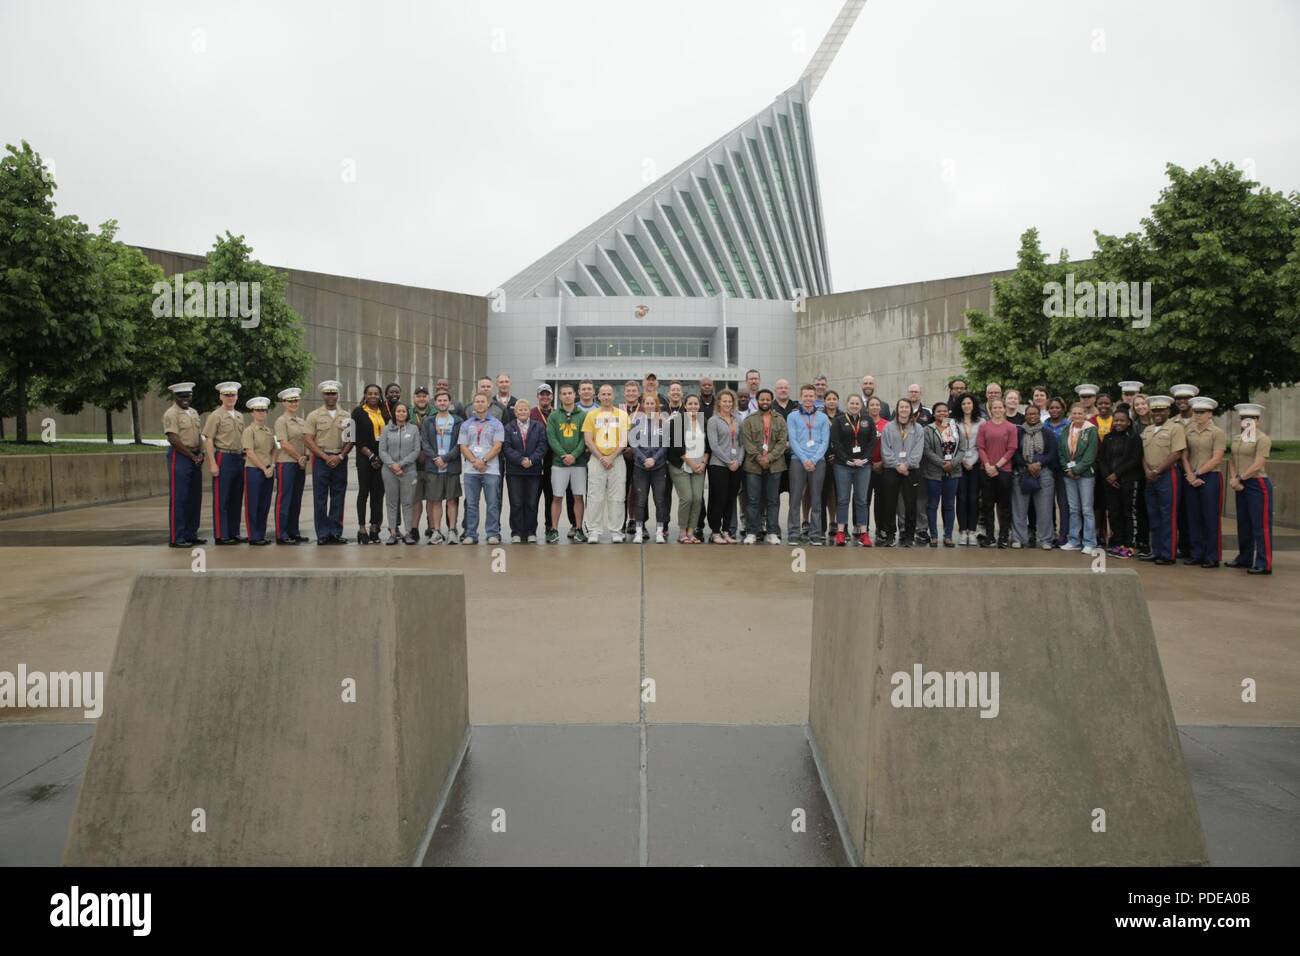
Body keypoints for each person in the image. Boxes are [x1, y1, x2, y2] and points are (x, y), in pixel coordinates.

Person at [1138, 396, 1186, 565]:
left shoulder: (1175, 428)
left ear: (1168, 411)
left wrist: (1158, 470)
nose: (1158, 413)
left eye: (1161, 410)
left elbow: (1176, 454)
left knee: (1168, 515)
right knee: (1153, 515)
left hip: (1167, 475)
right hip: (1150, 476)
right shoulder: (1148, 430)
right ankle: (1155, 550)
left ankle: (1168, 553)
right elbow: (1142, 454)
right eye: (1155, 410)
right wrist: (1147, 471)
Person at [303, 381, 352, 544]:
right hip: (321, 461)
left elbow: (351, 440)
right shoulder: (314, 415)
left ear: (338, 395)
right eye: (327, 393)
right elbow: (308, 439)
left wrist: (340, 456)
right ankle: (323, 534)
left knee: (338, 497)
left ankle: (336, 532)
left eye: (333, 393)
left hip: (340, 460)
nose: (331, 396)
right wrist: (324, 457)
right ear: (323, 395)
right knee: (320, 498)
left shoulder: (346, 415)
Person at [1227, 404, 1273, 575]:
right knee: (1244, 524)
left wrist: (1240, 478)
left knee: (1260, 525)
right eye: (1244, 418)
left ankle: (1264, 563)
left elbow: (1258, 464)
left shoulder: (1262, 439)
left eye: (1252, 419)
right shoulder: (1238, 438)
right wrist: (1233, 478)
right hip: (1240, 483)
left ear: (1258, 421)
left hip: (1257, 483)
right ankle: (1244, 558)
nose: (1247, 422)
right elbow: (1232, 459)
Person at [582, 384, 631, 544]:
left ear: (613, 396)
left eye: (609, 394)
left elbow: (624, 440)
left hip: (617, 460)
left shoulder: (623, 415)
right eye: (603, 394)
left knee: (617, 497)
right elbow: (588, 440)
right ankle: (594, 530)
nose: (606, 397)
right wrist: (601, 457)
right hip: (597, 460)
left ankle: (616, 530)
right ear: (598, 396)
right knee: (595, 496)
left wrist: (611, 457)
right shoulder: (591, 415)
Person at [1182, 396, 1227, 568]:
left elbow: (1217, 458)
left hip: (1210, 476)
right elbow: (1184, 455)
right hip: (1191, 477)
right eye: (1196, 412)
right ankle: (1197, 553)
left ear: (1210, 413)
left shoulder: (1217, 432)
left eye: (1202, 412)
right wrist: (1190, 475)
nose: (1198, 415)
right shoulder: (1189, 430)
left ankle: (1212, 556)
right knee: (1193, 517)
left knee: (1210, 517)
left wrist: (1198, 473)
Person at [741, 388, 789, 545]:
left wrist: (769, 457)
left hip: (775, 466)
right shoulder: (749, 420)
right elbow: (747, 442)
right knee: (753, 500)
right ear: (757, 401)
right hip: (753, 467)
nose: (765, 402)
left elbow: (782, 442)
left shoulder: (780, 419)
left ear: (772, 400)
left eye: (768, 399)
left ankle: (772, 532)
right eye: (762, 399)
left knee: (773, 500)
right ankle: (751, 532)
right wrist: (759, 458)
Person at [459, 392, 506, 545]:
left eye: (482, 401)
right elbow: (463, 446)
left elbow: (498, 446)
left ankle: (492, 533)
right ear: (473, 404)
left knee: (492, 503)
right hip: (471, 470)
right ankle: (471, 534)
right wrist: (475, 461)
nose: (479, 404)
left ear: (488, 404)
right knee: (471, 504)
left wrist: (484, 460)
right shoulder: (466, 424)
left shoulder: (497, 424)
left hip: (491, 470)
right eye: (477, 401)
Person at [162, 382, 205, 547]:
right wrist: (191, 456)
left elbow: (199, 435)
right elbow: (173, 438)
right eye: (182, 396)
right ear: (175, 397)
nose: (186, 399)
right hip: (180, 456)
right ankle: (177, 537)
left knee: (195, 498)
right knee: (179, 498)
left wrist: (201, 453)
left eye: (188, 396)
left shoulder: (193, 412)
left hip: (194, 455)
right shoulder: (171, 413)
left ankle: (191, 533)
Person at [786, 384, 829, 545]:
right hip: (798, 460)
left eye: (811, 396)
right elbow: (793, 440)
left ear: (815, 397)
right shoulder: (793, 416)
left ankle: (816, 534)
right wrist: (804, 459)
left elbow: (825, 441)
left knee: (816, 499)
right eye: (806, 395)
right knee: (795, 498)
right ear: (801, 396)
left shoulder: (823, 417)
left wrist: (815, 459)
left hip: (819, 461)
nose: (808, 398)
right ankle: (793, 533)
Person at [204, 382, 246, 545]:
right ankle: (221, 535)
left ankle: (234, 532)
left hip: (238, 458)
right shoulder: (216, 415)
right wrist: (213, 463)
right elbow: (209, 439)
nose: (230, 398)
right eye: (227, 395)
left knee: (236, 498)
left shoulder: (240, 416)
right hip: (224, 456)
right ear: (221, 396)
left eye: (233, 395)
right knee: (222, 498)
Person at [1010, 404, 1057, 551]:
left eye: (1035, 414)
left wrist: (1039, 463)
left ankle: (1046, 539)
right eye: (1029, 414)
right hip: (1022, 473)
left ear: (1039, 415)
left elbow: (1052, 453)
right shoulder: (1018, 432)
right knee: (1019, 508)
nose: (1032, 416)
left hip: (1043, 474)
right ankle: (1018, 538)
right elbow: (1014, 452)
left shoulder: (1047, 432)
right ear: (1025, 416)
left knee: (1044, 509)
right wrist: (1027, 464)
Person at [546, 384, 588, 543]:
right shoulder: (554, 416)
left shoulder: (583, 415)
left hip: (578, 464)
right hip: (559, 463)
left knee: (578, 496)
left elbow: (585, 438)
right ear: (560, 397)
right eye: (564, 393)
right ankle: (554, 529)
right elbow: (552, 438)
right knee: (557, 497)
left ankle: (578, 529)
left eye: (570, 393)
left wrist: (575, 455)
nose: (567, 396)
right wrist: (564, 454)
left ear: (575, 395)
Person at [831, 393, 874, 546]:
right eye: (852, 403)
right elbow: (836, 443)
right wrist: (848, 460)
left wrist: (865, 459)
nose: (855, 406)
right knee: (843, 499)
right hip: (843, 465)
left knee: (862, 500)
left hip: (863, 466)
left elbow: (871, 442)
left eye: (857, 403)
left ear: (861, 406)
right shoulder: (839, 421)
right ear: (846, 404)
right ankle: (841, 532)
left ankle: (863, 533)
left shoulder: (868, 421)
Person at [879, 398, 923, 547]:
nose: (904, 409)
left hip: (911, 471)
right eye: (901, 407)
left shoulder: (918, 429)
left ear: (910, 410)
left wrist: (907, 465)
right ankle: (890, 535)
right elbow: (885, 450)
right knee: (889, 504)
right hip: (892, 470)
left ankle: (909, 536)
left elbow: (918, 451)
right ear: (897, 410)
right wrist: (897, 465)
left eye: (906, 407)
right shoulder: (888, 427)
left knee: (910, 504)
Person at [1099, 408, 1143, 558]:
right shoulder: (1108, 437)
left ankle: (1130, 544)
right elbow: (1102, 459)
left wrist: (1116, 474)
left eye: (1122, 420)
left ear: (1128, 422)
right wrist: (1108, 475)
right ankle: (1117, 542)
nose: (1118, 423)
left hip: (1128, 480)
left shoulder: (1134, 437)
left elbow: (1135, 459)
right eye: (1116, 420)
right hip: (1110, 482)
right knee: (1114, 512)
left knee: (1128, 512)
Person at [502, 397, 547, 543]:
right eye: (519, 409)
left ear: (529, 411)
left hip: (533, 471)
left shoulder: (538, 426)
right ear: (515, 412)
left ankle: (531, 531)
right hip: (514, 471)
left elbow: (542, 446)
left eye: (525, 409)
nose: (522, 412)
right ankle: (516, 532)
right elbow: (506, 448)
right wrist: (520, 460)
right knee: (516, 502)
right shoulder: (509, 427)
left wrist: (532, 460)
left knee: (532, 502)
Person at [975, 397, 1017, 548]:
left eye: (1000, 407)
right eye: (995, 408)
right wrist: (987, 465)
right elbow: (980, 447)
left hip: (1004, 471)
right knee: (987, 505)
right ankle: (990, 536)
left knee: (1004, 506)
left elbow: (1012, 449)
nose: (997, 410)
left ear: (1004, 409)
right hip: (985, 470)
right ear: (990, 410)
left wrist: (997, 466)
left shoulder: (1011, 427)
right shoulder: (984, 427)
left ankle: (1003, 537)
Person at [629, 393, 671, 543]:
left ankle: (659, 531)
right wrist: (644, 459)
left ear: (656, 405)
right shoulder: (637, 421)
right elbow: (633, 443)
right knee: (640, 500)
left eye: (652, 403)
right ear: (643, 405)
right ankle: (639, 531)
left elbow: (665, 444)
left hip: (658, 467)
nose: (649, 405)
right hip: (640, 467)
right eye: (647, 403)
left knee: (660, 500)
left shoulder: (662, 422)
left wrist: (654, 459)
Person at [1059, 402, 1100, 555]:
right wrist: (1067, 468)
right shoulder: (1066, 429)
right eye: (1074, 413)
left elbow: (1091, 455)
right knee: (1074, 509)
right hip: (1069, 475)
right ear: (1070, 414)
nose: (1077, 416)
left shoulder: (1090, 430)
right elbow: (1061, 452)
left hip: (1085, 475)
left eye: (1080, 413)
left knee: (1086, 509)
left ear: (1085, 415)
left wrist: (1077, 469)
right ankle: (1074, 540)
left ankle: (1089, 542)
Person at [422, 390, 462, 544]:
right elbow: (424, 442)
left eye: (445, 400)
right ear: (435, 403)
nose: (442, 403)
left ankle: (452, 530)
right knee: (436, 500)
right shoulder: (429, 421)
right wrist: (435, 458)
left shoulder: (458, 421)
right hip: (434, 466)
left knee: (452, 500)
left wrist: (445, 458)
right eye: (439, 400)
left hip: (451, 465)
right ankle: (436, 531)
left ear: (449, 403)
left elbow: (460, 443)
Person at [923, 401, 965, 547]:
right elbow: (927, 450)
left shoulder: (955, 428)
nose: (942, 413)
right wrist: (942, 463)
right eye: (939, 411)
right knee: (932, 504)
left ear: (949, 413)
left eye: (945, 411)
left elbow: (962, 450)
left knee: (949, 505)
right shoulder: (928, 429)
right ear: (934, 414)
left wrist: (952, 464)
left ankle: (948, 536)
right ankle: (933, 536)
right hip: (933, 473)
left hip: (953, 473)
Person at [270, 387, 309, 546]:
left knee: (296, 499)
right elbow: (283, 443)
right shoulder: (281, 421)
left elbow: (306, 440)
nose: (294, 403)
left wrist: (305, 456)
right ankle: (282, 533)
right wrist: (299, 457)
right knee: (284, 499)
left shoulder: (301, 421)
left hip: (300, 464)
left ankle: (294, 531)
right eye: (290, 401)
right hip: (286, 463)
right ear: (284, 403)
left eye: (296, 400)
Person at [379, 402, 422, 544]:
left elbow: (416, 450)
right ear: (394, 413)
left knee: (407, 502)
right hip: (389, 471)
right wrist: (392, 465)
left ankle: (408, 533)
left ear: (407, 413)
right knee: (391, 503)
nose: (401, 413)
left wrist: (401, 464)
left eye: (403, 411)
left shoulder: (414, 429)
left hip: (408, 471)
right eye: (398, 411)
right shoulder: (386, 429)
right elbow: (382, 451)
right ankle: (393, 532)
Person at [351, 384, 389, 545]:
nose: (373, 396)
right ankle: (362, 528)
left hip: (382, 459)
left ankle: (374, 527)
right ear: (365, 395)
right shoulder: (358, 412)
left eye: (376, 393)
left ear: (380, 395)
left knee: (378, 494)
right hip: (364, 457)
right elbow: (355, 438)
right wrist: (371, 455)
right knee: (364, 493)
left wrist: (381, 457)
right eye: (370, 393)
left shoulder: (385, 413)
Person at [667, 393, 708, 543]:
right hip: (681, 465)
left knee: (697, 499)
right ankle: (682, 531)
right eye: (690, 404)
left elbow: (708, 446)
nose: (693, 407)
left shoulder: (704, 422)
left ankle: (691, 532)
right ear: (685, 405)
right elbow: (676, 447)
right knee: (687, 498)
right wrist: (692, 463)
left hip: (699, 466)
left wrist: (703, 463)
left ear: (699, 406)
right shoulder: (677, 421)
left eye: (696, 404)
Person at [706, 389, 744, 544]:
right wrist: (729, 462)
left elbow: (742, 444)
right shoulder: (713, 421)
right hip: (719, 465)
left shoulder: (738, 420)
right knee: (719, 499)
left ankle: (727, 531)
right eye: (724, 401)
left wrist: (738, 462)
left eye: (730, 401)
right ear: (719, 403)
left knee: (730, 499)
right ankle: (715, 532)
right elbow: (714, 446)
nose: (728, 404)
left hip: (736, 466)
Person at [240, 396, 276, 546]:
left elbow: (274, 450)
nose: (261, 413)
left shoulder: (269, 431)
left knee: (264, 504)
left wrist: (272, 466)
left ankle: (261, 534)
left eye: (264, 410)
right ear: (252, 413)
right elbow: (249, 452)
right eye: (258, 410)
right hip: (254, 470)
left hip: (268, 471)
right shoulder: (249, 431)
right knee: (253, 504)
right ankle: (253, 536)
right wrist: (263, 468)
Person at [1170, 383, 1199, 559]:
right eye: (1179, 398)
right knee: (1179, 510)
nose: (1182, 401)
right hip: (1177, 470)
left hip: (1197, 470)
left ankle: (1195, 548)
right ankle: (1183, 546)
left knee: (1194, 511)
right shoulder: (1172, 422)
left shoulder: (1202, 420)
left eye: (1186, 398)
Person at [955, 394, 982, 546]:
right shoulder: (954, 422)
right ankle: (962, 530)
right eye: (964, 403)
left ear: (973, 405)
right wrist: (963, 460)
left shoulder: (981, 422)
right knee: (961, 498)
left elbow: (981, 445)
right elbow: (953, 443)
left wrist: (972, 460)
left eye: (969, 403)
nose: (966, 406)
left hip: (976, 464)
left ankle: (972, 531)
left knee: (973, 498)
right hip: (959, 464)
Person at [531, 385, 558, 540]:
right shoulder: (532, 413)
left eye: (548, 395)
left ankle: (549, 527)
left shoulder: (557, 414)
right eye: (542, 395)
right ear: (538, 396)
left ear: (552, 397)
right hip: (536, 462)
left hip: (552, 462)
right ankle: (531, 529)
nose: (545, 397)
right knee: (533, 498)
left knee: (550, 497)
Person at [409, 386, 435, 539]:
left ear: (428, 398)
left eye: (424, 396)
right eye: (418, 396)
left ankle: (432, 528)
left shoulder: (435, 413)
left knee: (433, 497)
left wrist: (427, 452)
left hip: (431, 462)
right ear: (414, 398)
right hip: (414, 463)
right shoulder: (408, 413)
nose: (421, 398)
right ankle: (414, 529)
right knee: (416, 498)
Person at [1089, 392, 1115, 545]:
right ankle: (1099, 533)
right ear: (1096, 405)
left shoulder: (1116, 420)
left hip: (1114, 468)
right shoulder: (1091, 421)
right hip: (1096, 467)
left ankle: (1114, 535)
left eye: (1106, 403)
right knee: (1097, 504)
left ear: (1111, 404)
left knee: (1112, 503)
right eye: (1101, 403)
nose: (1103, 406)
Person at [819, 390, 841, 536]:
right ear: (824, 401)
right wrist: (827, 455)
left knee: (841, 496)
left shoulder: (843, 417)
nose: (832, 401)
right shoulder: (819, 417)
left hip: (840, 462)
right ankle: (820, 528)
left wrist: (837, 456)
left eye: (834, 398)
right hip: (823, 460)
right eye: (829, 399)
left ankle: (840, 528)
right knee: (822, 494)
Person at [867, 396, 889, 540]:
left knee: (881, 500)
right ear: (867, 407)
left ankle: (881, 528)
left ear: (880, 407)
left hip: (882, 466)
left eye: (877, 404)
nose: (874, 407)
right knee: (864, 499)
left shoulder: (887, 424)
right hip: (865, 466)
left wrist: (882, 462)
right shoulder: (862, 423)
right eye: (872, 404)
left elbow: (891, 446)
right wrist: (869, 463)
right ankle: (862, 528)